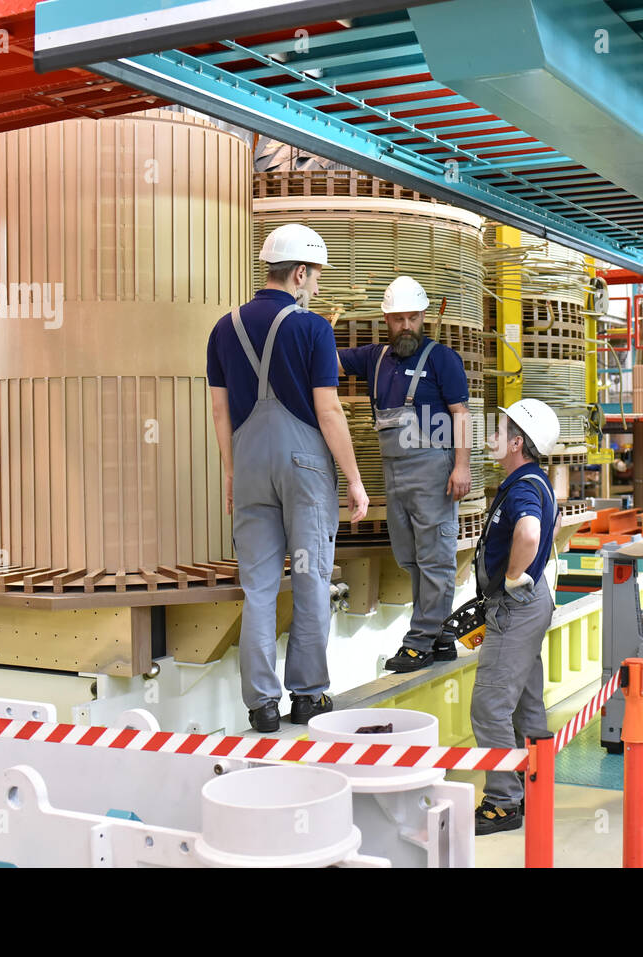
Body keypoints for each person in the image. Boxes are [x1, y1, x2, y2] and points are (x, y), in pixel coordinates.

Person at [207, 223, 368, 734]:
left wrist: (232, 474)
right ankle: (308, 696)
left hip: (250, 466)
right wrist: (355, 480)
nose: (316, 287)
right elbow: (330, 412)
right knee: (311, 580)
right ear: (298, 272)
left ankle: (261, 707)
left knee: (257, 588)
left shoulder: (221, 329)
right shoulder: (313, 329)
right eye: (315, 276)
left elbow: (218, 413)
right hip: (305, 471)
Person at [337, 276, 472, 672]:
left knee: (435, 556)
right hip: (393, 471)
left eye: (413, 318)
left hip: (433, 468)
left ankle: (420, 642)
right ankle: (442, 634)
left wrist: (461, 466)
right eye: (398, 319)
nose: (406, 326)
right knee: (410, 557)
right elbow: (326, 356)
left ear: (424, 316)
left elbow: (460, 415)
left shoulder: (441, 359)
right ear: (386, 320)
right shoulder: (374, 359)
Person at [468, 399, 561, 835]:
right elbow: (552, 529)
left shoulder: (523, 486)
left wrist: (510, 577)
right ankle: (534, 781)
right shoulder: (535, 481)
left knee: (489, 706)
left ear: (517, 442)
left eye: (499, 431)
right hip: (533, 599)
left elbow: (530, 531)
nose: (492, 437)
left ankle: (503, 803)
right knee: (525, 701)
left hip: (517, 605)